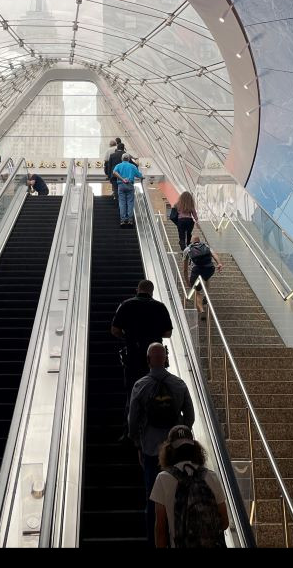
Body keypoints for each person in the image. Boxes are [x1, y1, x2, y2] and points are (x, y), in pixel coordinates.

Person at [128, 344, 195, 546]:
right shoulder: (179, 384)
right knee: (179, 494)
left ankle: (155, 541)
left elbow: (132, 421)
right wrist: (179, 435)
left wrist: (138, 444)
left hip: (151, 450)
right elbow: (190, 417)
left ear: (148, 360)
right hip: (176, 452)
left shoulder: (140, 385)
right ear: (166, 359)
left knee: (153, 497)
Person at [151, 425, 228, 548]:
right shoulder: (211, 476)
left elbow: (160, 529)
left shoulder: (163, 478)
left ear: (169, 450)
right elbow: (224, 522)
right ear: (195, 448)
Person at [111, 280, 173, 410]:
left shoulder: (126, 305)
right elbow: (168, 333)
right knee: (155, 390)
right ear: (152, 291)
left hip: (132, 357)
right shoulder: (160, 307)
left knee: (133, 392)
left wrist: (128, 337)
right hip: (154, 359)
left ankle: (131, 423)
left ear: (137, 290)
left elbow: (115, 330)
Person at [182, 234, 223, 317]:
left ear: (191, 242)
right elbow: (214, 254)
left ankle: (201, 311)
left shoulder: (188, 249)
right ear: (199, 241)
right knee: (206, 277)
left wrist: (187, 282)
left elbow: (185, 269)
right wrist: (219, 263)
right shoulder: (205, 245)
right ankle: (205, 295)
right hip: (210, 269)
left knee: (195, 290)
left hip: (197, 271)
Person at [111, 153, 144, 226]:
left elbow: (114, 172)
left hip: (121, 185)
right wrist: (142, 177)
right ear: (129, 159)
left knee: (122, 203)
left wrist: (122, 179)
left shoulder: (118, 166)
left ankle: (123, 220)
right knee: (130, 202)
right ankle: (130, 220)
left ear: (122, 159)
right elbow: (139, 175)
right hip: (130, 185)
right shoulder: (132, 166)